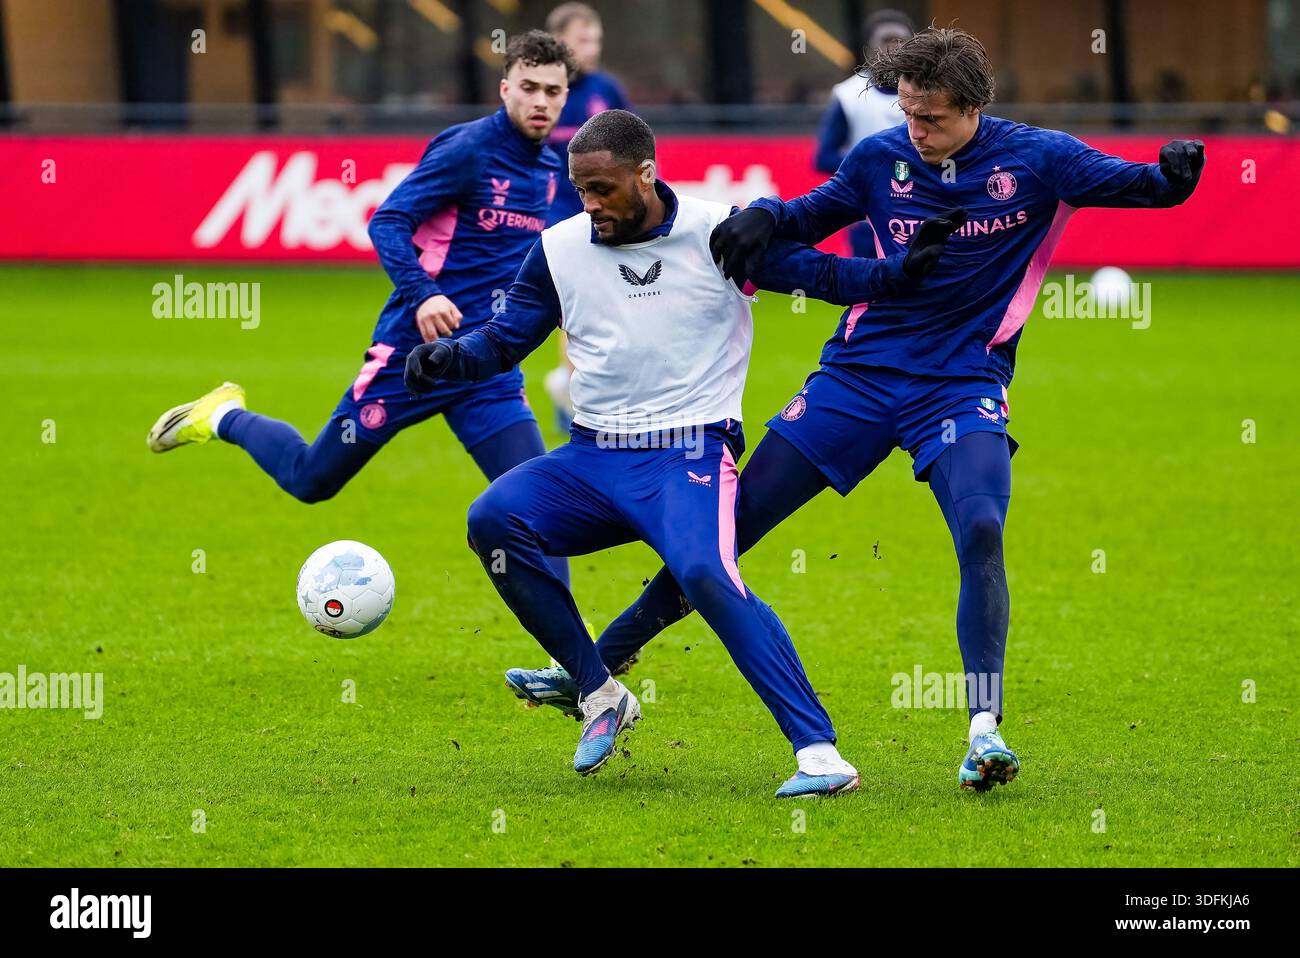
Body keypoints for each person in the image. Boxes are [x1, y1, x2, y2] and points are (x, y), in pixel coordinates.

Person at [508, 28, 1206, 792]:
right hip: (857, 379)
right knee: (725, 536)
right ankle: (602, 663)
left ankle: (983, 731)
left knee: (979, 526)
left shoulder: (1040, 160)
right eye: (906, 113)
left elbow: (1147, 187)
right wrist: (765, 217)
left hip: (962, 382)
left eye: (931, 118)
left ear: (974, 108)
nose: (915, 130)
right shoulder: (881, 158)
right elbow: (810, 216)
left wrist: (1175, 176)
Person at [403, 110, 962, 795]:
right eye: (581, 189)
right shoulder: (557, 249)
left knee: (705, 571)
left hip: (687, 453)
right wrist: (448, 359)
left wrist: (902, 272)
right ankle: (599, 692)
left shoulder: (719, 233)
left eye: (604, 188)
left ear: (646, 173)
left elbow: (827, 279)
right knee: (492, 519)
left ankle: (819, 753)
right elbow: (503, 340)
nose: (592, 204)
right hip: (590, 457)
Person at [145, 32, 573, 583]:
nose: (541, 101)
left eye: (553, 91)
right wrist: (425, 294)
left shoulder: (548, 170)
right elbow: (387, 221)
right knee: (311, 480)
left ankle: (573, 655)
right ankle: (223, 415)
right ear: (505, 86)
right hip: (413, 359)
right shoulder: (467, 150)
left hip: (486, 366)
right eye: (530, 87)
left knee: (534, 502)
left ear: (564, 97)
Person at [540, 2, 632, 435]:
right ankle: (575, 395)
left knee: (601, 304)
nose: (591, 48)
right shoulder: (543, 89)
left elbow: (636, 145)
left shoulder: (607, 90)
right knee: (573, 304)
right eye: (582, 40)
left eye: (595, 39)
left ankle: (574, 390)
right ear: (560, 42)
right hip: (555, 215)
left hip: (607, 214)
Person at [814, 8, 914, 258]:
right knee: (865, 288)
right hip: (868, 217)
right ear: (870, 49)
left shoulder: (932, 90)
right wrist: (873, 167)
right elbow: (823, 157)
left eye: (900, 41)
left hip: (920, 212)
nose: (894, 48)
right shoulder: (848, 95)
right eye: (886, 41)